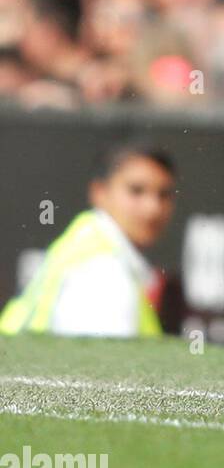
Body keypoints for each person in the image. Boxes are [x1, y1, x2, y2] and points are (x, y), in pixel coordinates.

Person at [0, 144, 175, 337]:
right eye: (136, 190)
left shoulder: (85, 242)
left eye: (163, 194)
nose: (153, 208)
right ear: (99, 192)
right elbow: (101, 364)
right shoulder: (104, 273)